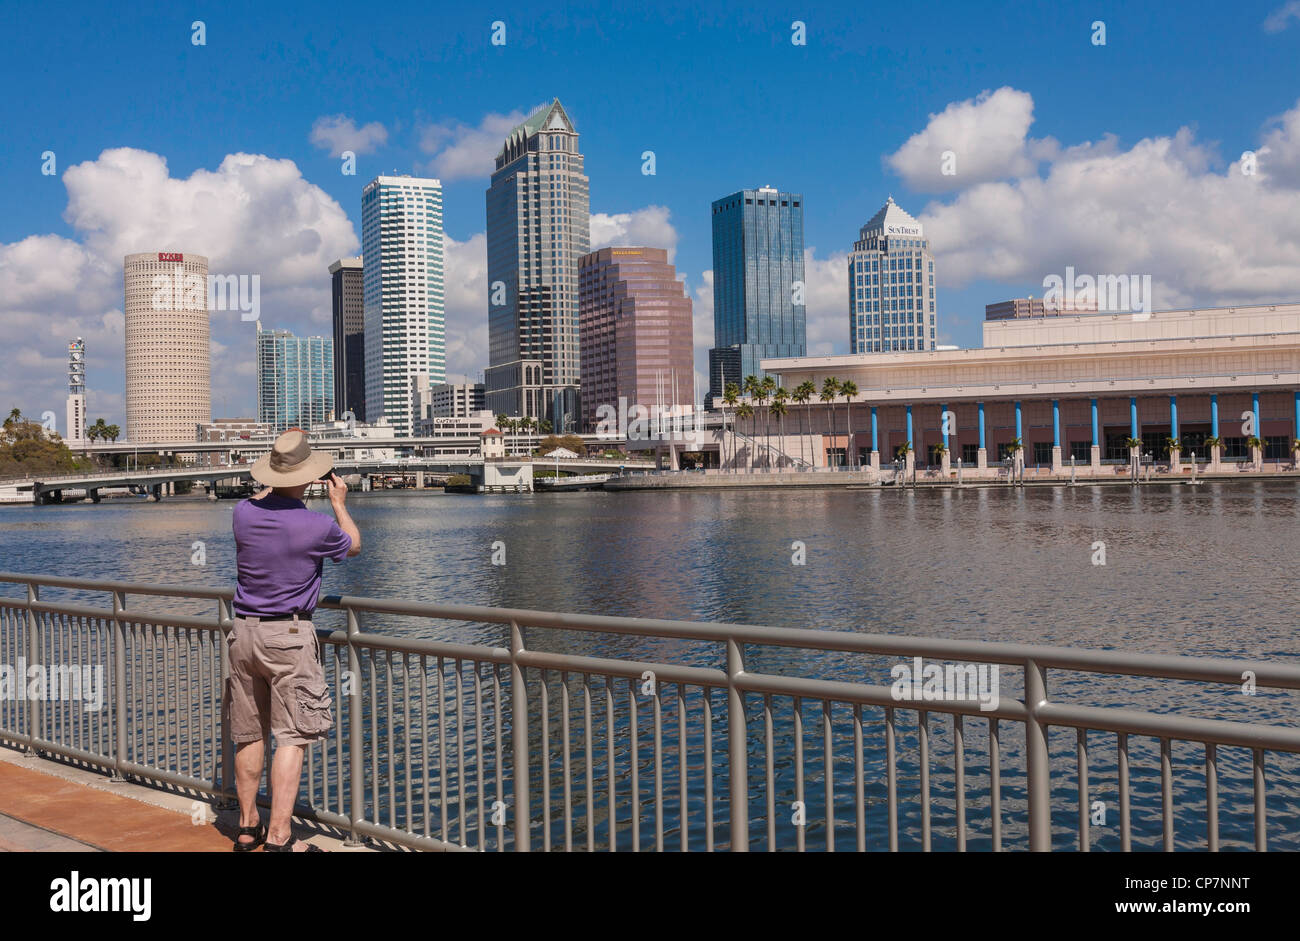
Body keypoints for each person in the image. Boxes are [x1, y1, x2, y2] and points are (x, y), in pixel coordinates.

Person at [224, 429, 361, 852]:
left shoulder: (242, 512)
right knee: (292, 736)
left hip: (242, 631)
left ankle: (248, 827)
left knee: (248, 733)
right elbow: (353, 545)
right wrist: (338, 503)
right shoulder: (316, 525)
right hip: (288, 635)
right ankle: (281, 836)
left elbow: (271, 501)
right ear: (313, 475)